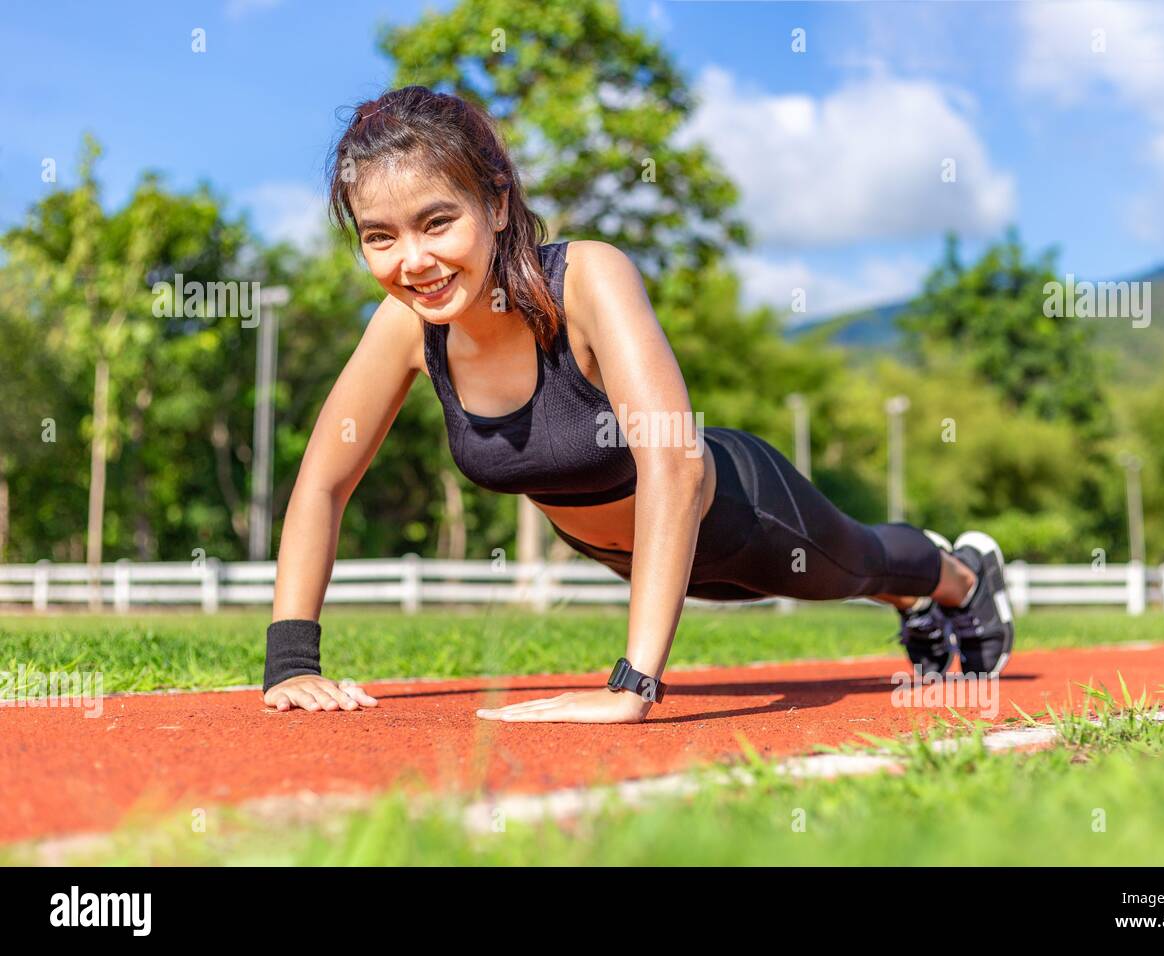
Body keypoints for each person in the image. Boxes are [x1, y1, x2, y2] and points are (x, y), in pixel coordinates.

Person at [261, 86, 1014, 724]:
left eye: (435, 222)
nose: (412, 261)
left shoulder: (587, 277)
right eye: (379, 238)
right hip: (638, 558)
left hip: (742, 514)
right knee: (847, 578)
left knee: (858, 567)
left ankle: (964, 579)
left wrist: (634, 684)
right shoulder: (403, 328)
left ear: (494, 205)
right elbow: (324, 483)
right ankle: (923, 599)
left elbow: (674, 462)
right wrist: (290, 664)